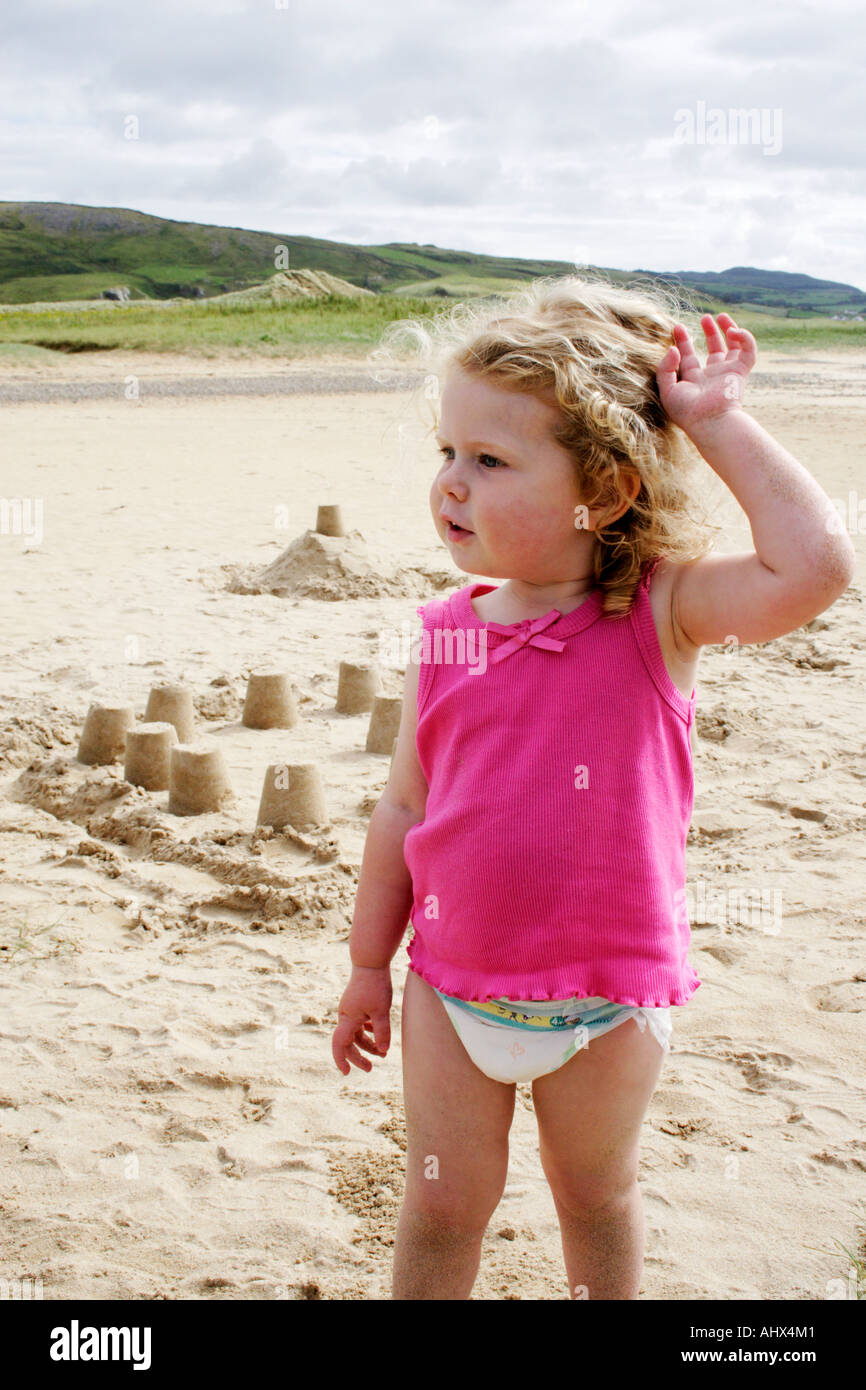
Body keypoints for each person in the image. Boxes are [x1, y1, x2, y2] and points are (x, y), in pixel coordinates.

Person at [331, 274, 856, 1300]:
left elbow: (814, 565)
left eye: (487, 461)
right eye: (446, 452)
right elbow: (402, 809)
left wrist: (715, 423)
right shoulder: (443, 633)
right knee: (441, 1207)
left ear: (604, 491)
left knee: (594, 1197)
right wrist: (365, 965)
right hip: (448, 985)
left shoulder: (657, 614)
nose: (449, 483)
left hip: (606, 1005)